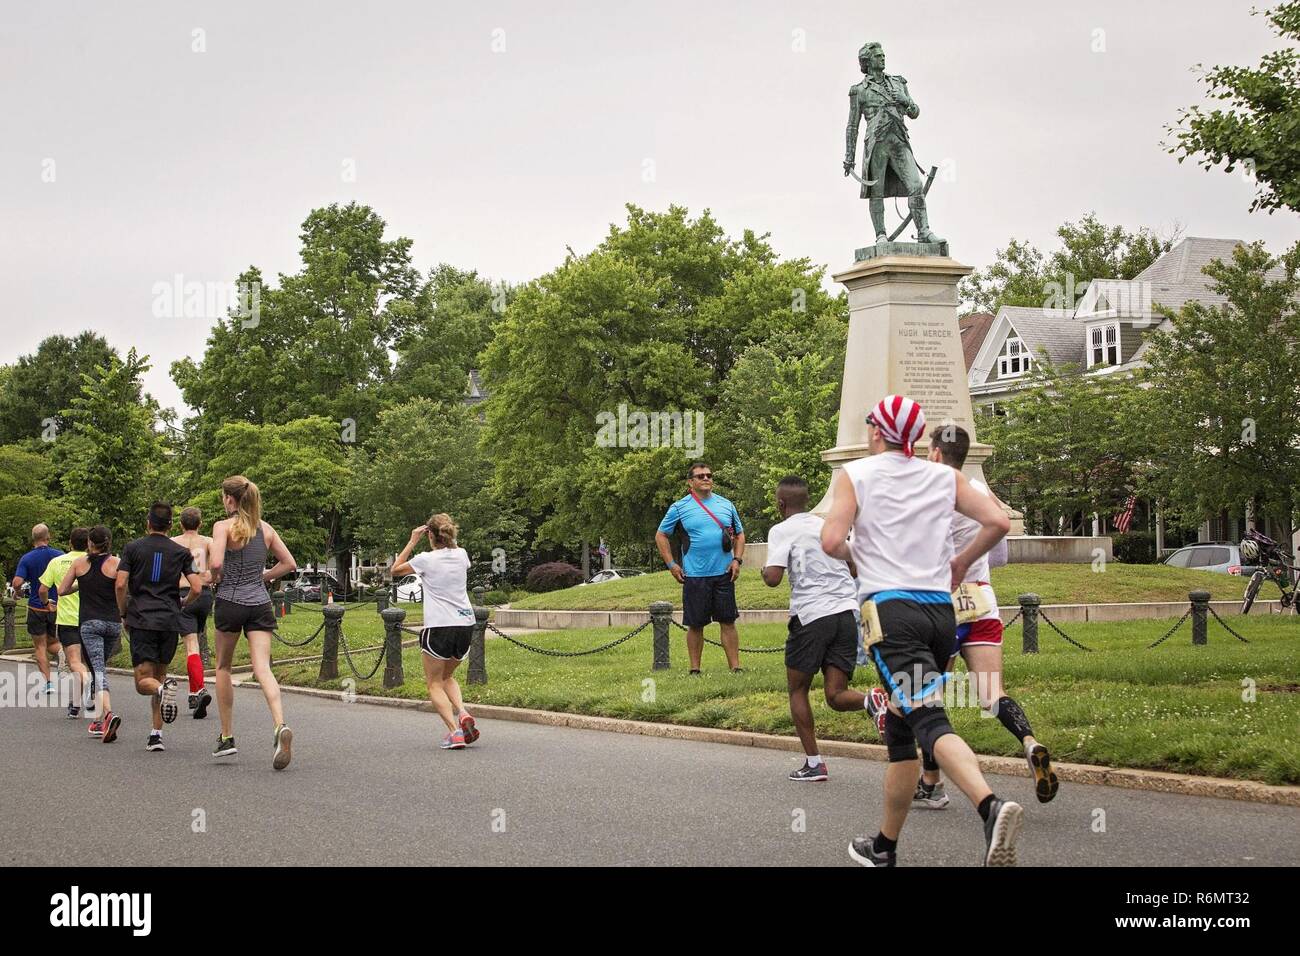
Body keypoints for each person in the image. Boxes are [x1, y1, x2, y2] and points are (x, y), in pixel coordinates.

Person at [822, 395, 1022, 867]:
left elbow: (831, 540)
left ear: (876, 431)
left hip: (890, 613)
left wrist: (856, 558)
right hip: (938, 613)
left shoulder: (856, 474)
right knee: (899, 727)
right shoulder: (945, 476)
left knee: (929, 720)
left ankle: (990, 808)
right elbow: (997, 521)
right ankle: (884, 847)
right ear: (915, 436)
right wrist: (961, 562)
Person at [907, 425, 1058, 810]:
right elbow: (1001, 556)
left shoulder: (931, 495)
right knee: (992, 694)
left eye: (929, 451)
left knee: (929, 698)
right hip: (983, 599)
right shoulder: (982, 495)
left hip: (943, 604)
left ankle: (932, 784)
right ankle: (1029, 742)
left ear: (937, 455)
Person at [762, 475, 869, 782]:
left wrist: (762, 571)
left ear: (780, 503)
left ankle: (814, 763)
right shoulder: (827, 527)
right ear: (807, 500)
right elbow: (854, 567)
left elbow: (773, 578)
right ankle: (874, 701)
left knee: (798, 689)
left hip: (811, 617)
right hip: (846, 614)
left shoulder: (781, 530)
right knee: (836, 695)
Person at [209, 476, 297, 768]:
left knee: (223, 666)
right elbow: (289, 564)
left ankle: (227, 737)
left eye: (224, 497)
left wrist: (215, 577)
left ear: (231, 500)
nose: (223, 501)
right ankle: (279, 724)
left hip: (230, 601)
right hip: (260, 603)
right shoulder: (266, 529)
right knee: (263, 667)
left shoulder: (223, 528)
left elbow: (217, 564)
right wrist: (262, 577)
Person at [116, 503, 203, 753]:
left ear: (148, 523)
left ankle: (163, 692)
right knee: (160, 675)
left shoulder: (133, 548)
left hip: (142, 619)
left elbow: (121, 584)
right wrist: (184, 603)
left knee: (144, 681)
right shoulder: (181, 552)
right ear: (170, 525)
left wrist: (123, 611)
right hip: (168, 620)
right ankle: (156, 735)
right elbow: (196, 587)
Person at [391, 513, 480, 750]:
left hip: (439, 626)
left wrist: (412, 541)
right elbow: (454, 549)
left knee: (433, 683)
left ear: (429, 535)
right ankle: (462, 713)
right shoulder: (461, 555)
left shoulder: (425, 559)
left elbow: (395, 570)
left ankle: (455, 732)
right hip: (465, 624)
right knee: (447, 676)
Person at [654, 461, 746, 673]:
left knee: (728, 621)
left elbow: (740, 534)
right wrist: (671, 564)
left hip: (724, 573)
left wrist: (737, 560)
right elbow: (661, 535)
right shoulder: (679, 507)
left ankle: (736, 667)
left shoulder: (726, 505)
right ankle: (695, 669)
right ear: (691, 482)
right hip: (694, 576)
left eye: (709, 475)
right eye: (700, 476)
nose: (706, 478)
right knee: (695, 624)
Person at [60, 526, 123, 742]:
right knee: (100, 668)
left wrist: (80, 585)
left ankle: (108, 714)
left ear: (89, 543)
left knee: (97, 669)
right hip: (113, 622)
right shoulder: (116, 563)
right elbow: (124, 587)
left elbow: (61, 590)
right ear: (109, 542)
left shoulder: (79, 564)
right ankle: (97, 721)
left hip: (89, 623)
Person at [39, 528, 92, 719]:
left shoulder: (57, 562)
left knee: (74, 662)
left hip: (68, 618)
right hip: (90, 616)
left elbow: (43, 589)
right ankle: (75, 704)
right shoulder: (92, 561)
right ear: (88, 543)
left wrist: (47, 604)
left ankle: (87, 684)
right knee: (84, 661)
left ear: (70, 542)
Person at [171, 507, 214, 718]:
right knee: (196, 638)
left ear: (181, 524)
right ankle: (193, 692)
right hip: (204, 594)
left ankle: (198, 689)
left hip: (182, 593)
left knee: (190, 645)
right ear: (200, 523)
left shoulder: (173, 542)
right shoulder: (207, 542)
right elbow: (218, 566)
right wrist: (209, 578)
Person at [12, 523, 64, 696]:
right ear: (48, 537)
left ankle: (49, 683)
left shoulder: (27, 558)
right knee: (52, 642)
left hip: (36, 607)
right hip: (56, 606)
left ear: (33, 539)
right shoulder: (59, 556)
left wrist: (18, 593)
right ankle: (63, 653)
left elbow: (17, 582)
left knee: (40, 646)